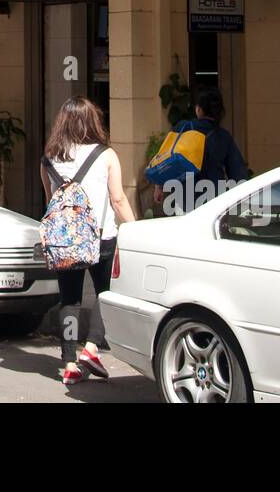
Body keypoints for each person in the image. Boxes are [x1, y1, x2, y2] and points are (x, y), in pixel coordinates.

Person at [41, 96, 136, 388]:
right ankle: (93, 348)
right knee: (108, 294)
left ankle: (69, 363)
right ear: (92, 121)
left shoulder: (48, 158)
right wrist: (135, 229)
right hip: (102, 237)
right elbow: (118, 199)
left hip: (65, 241)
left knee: (69, 299)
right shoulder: (106, 155)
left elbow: (50, 203)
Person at [153, 86, 248, 215]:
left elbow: (164, 158)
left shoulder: (182, 128)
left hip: (182, 197)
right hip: (213, 199)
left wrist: (159, 186)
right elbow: (238, 174)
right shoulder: (223, 136)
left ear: (198, 109)